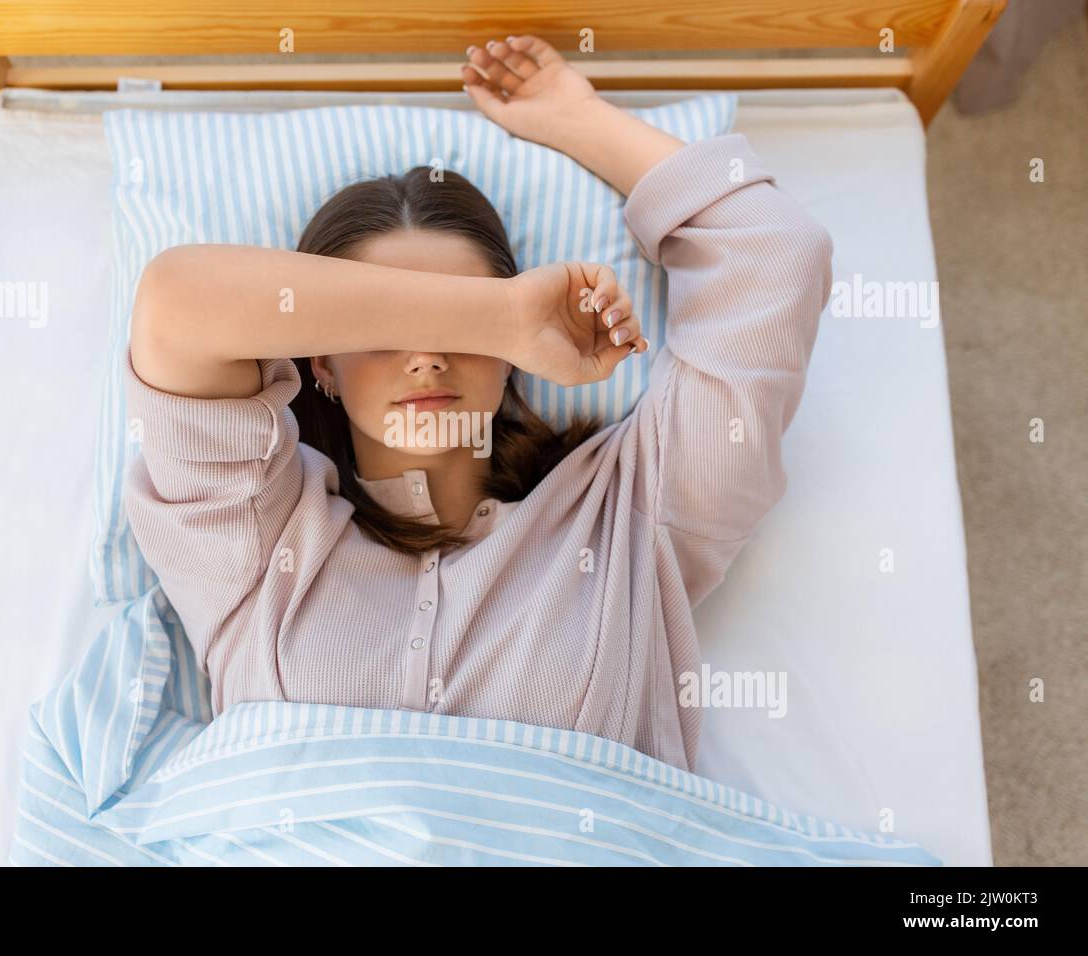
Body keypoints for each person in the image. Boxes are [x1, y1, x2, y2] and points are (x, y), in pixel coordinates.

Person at [123, 35, 833, 772]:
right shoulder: (252, 535)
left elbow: (778, 254)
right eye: (382, 330)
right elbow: (175, 303)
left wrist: (576, 119)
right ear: (321, 365)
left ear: (514, 356)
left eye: (463, 324)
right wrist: (493, 315)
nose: (427, 356)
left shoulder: (636, 510)